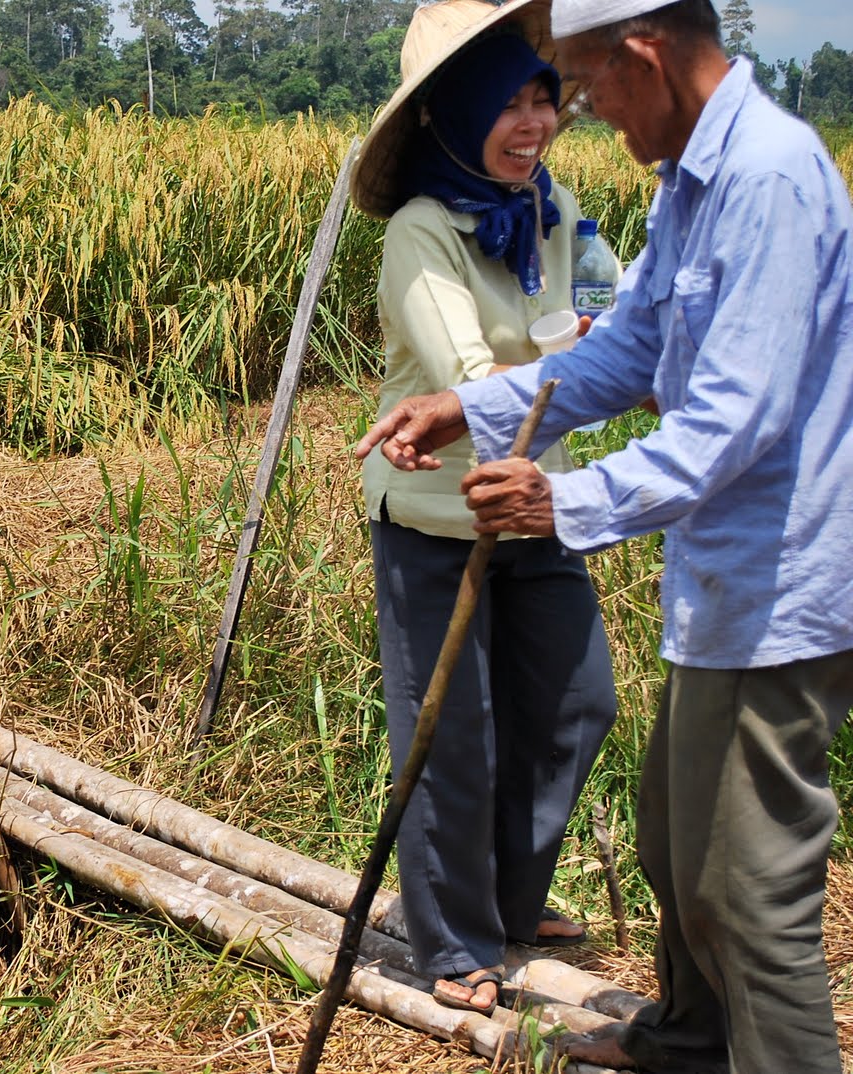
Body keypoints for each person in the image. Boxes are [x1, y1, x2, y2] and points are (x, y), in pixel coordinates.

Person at [354, 0, 853, 1069]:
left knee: (749, 891)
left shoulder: (763, 176)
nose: (577, 117)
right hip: (720, 582)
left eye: (576, 89)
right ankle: (687, 1041)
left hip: (779, 584)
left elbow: (733, 419)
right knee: (683, 849)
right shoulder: (691, 181)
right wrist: (470, 413)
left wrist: (563, 504)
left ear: (643, 53)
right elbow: (626, 350)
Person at [349, 0, 618, 1015]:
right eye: (505, 105)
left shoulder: (552, 208)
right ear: (458, 117)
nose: (531, 124)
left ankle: (509, 895)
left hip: (531, 506)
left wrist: (595, 345)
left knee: (575, 703)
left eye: (542, 101)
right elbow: (471, 376)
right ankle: (452, 939)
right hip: (434, 512)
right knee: (451, 729)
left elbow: (599, 309)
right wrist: (588, 353)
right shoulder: (424, 231)